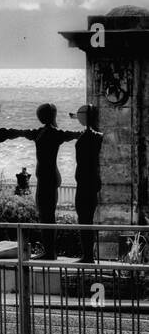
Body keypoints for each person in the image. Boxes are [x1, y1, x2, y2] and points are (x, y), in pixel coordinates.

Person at [23, 103, 80, 260]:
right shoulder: (43, 132)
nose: (38, 117)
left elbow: (74, 134)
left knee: (47, 215)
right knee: (44, 214)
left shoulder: (52, 133)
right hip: (45, 178)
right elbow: (74, 134)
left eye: (40, 114)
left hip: (48, 179)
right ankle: (48, 251)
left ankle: (50, 252)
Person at [72, 104, 104, 263]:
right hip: (91, 182)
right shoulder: (98, 136)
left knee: (84, 219)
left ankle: (87, 255)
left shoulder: (85, 137)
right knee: (87, 219)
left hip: (84, 183)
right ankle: (88, 255)